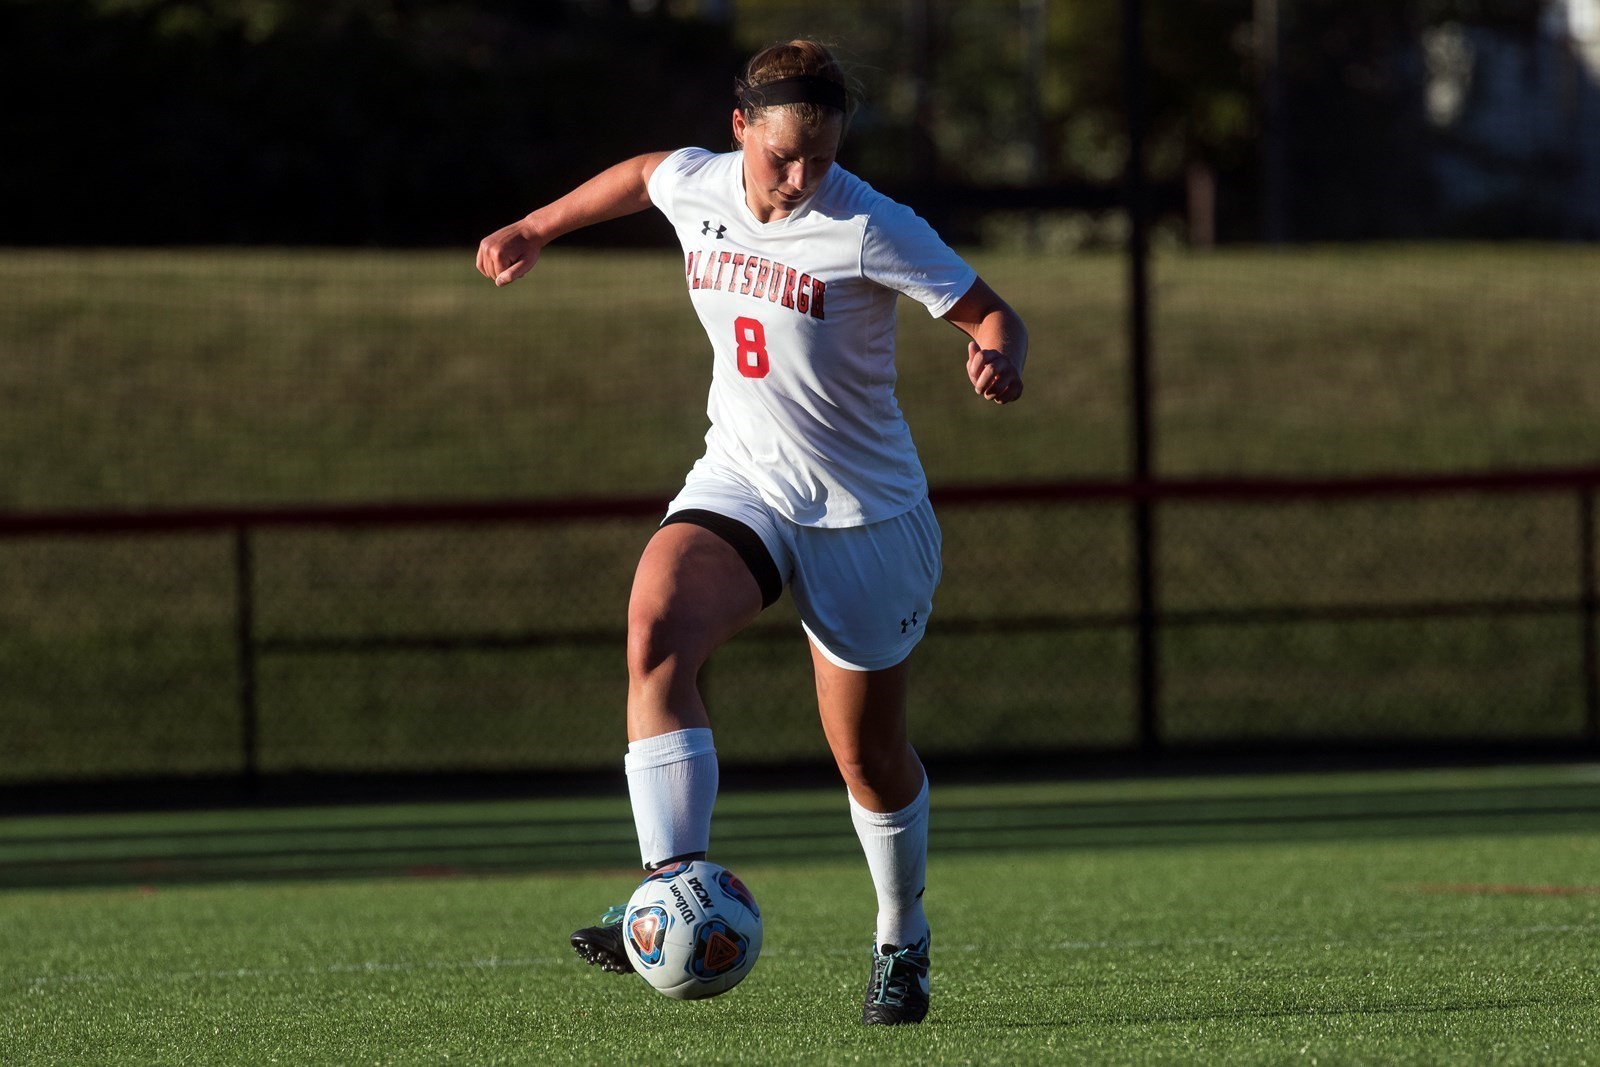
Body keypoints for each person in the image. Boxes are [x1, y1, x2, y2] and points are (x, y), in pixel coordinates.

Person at [475, 39, 1027, 1026]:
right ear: (740, 130)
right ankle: (669, 883)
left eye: (820, 155)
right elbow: (645, 176)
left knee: (868, 758)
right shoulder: (701, 182)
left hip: (864, 514)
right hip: (744, 481)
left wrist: (995, 356)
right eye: (782, 155)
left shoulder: (868, 223)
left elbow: (991, 313)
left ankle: (901, 938)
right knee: (655, 627)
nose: (801, 175)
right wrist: (537, 224)